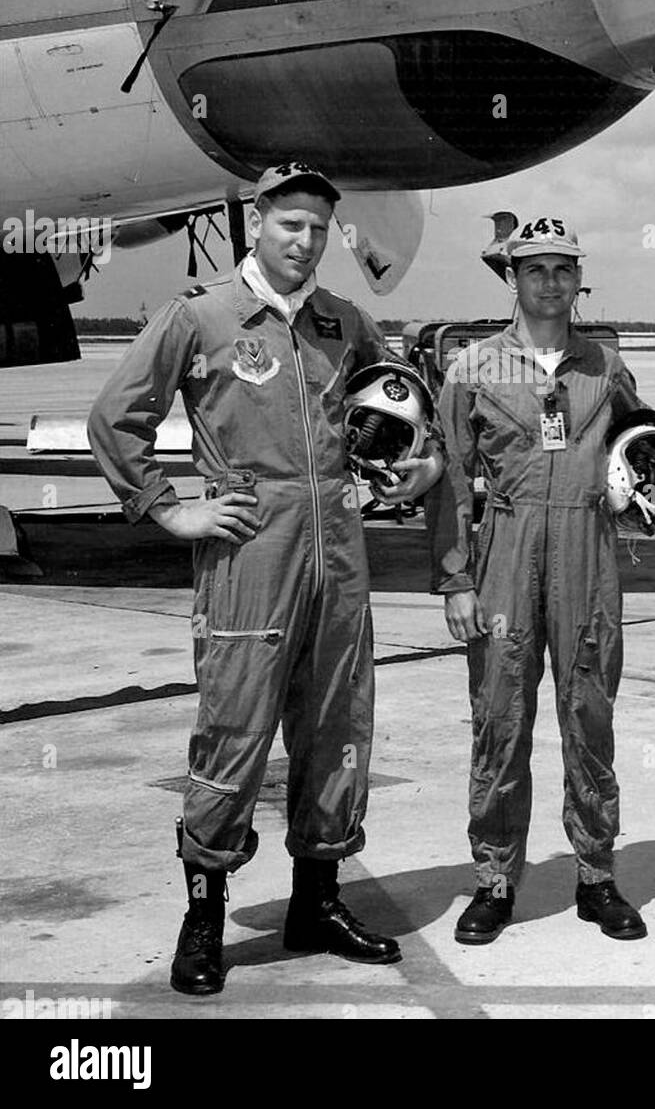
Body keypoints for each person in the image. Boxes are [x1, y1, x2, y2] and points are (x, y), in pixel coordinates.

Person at [87, 161, 443, 995]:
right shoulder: (202, 315)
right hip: (251, 548)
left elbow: (398, 403)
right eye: (291, 224)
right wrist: (169, 508)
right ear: (257, 224)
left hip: (340, 553)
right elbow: (117, 416)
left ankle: (317, 901)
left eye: (319, 227)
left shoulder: (342, 321)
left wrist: (409, 470)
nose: (305, 240)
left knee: (337, 727)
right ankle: (204, 917)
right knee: (235, 731)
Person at [425, 216, 648, 944]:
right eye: (535, 270)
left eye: (563, 269)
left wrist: (635, 495)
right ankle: (494, 880)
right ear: (512, 280)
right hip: (507, 553)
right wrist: (456, 581)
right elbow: (453, 482)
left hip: (588, 550)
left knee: (590, 716)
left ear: (578, 279)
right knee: (500, 719)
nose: (551, 283)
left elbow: (642, 454)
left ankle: (596, 874)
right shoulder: (473, 369)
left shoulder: (606, 368)